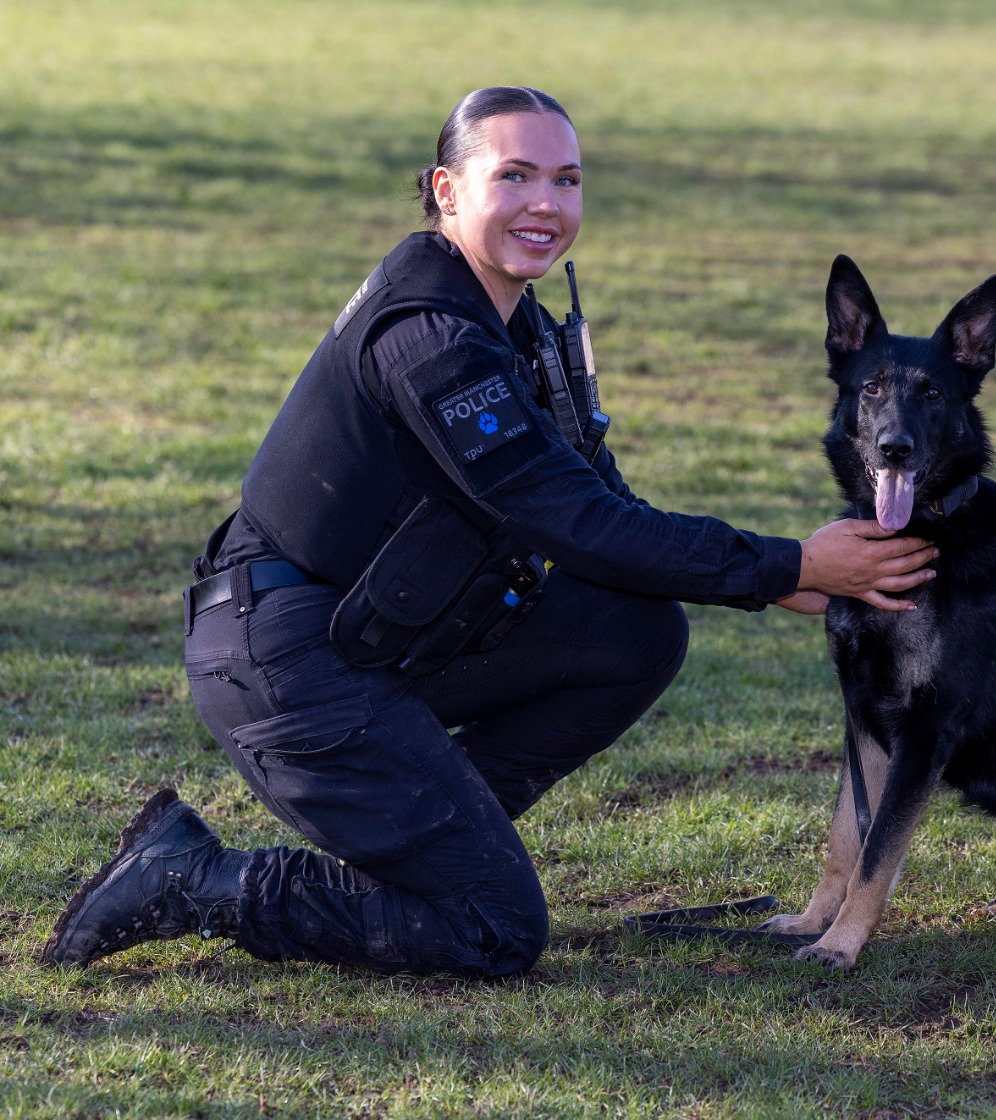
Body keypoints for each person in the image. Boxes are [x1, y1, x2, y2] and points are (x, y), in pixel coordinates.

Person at [43, 87, 936, 978]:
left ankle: (429, 841)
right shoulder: (431, 336)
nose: (547, 203)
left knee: (636, 631)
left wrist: (773, 574)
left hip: (366, 627)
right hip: (283, 657)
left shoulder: (516, 320)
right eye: (515, 175)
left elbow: (596, 491)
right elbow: (570, 518)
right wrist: (780, 560)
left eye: (567, 179)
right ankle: (199, 878)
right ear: (447, 190)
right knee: (494, 929)